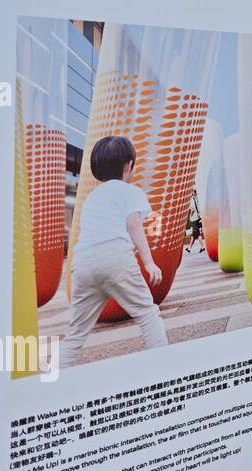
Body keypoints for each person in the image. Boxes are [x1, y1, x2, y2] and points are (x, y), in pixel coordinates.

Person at [58, 136, 169, 369]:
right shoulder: (130, 191)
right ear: (128, 165)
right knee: (147, 314)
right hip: (115, 256)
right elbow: (134, 226)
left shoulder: (90, 199)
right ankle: (163, 370)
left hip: (83, 263)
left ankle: (56, 376)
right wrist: (149, 262)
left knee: (76, 332)